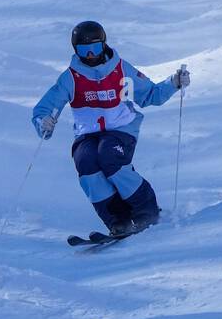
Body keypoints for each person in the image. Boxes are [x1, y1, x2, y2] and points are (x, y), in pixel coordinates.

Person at [31, 21, 190, 236]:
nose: (89, 55)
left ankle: (146, 210)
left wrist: (173, 83)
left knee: (109, 157)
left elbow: (150, 95)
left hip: (121, 129)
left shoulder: (120, 69)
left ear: (104, 45)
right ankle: (118, 220)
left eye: (94, 48)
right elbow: (46, 107)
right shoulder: (70, 78)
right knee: (86, 164)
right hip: (87, 134)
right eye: (82, 50)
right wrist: (43, 122)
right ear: (75, 50)